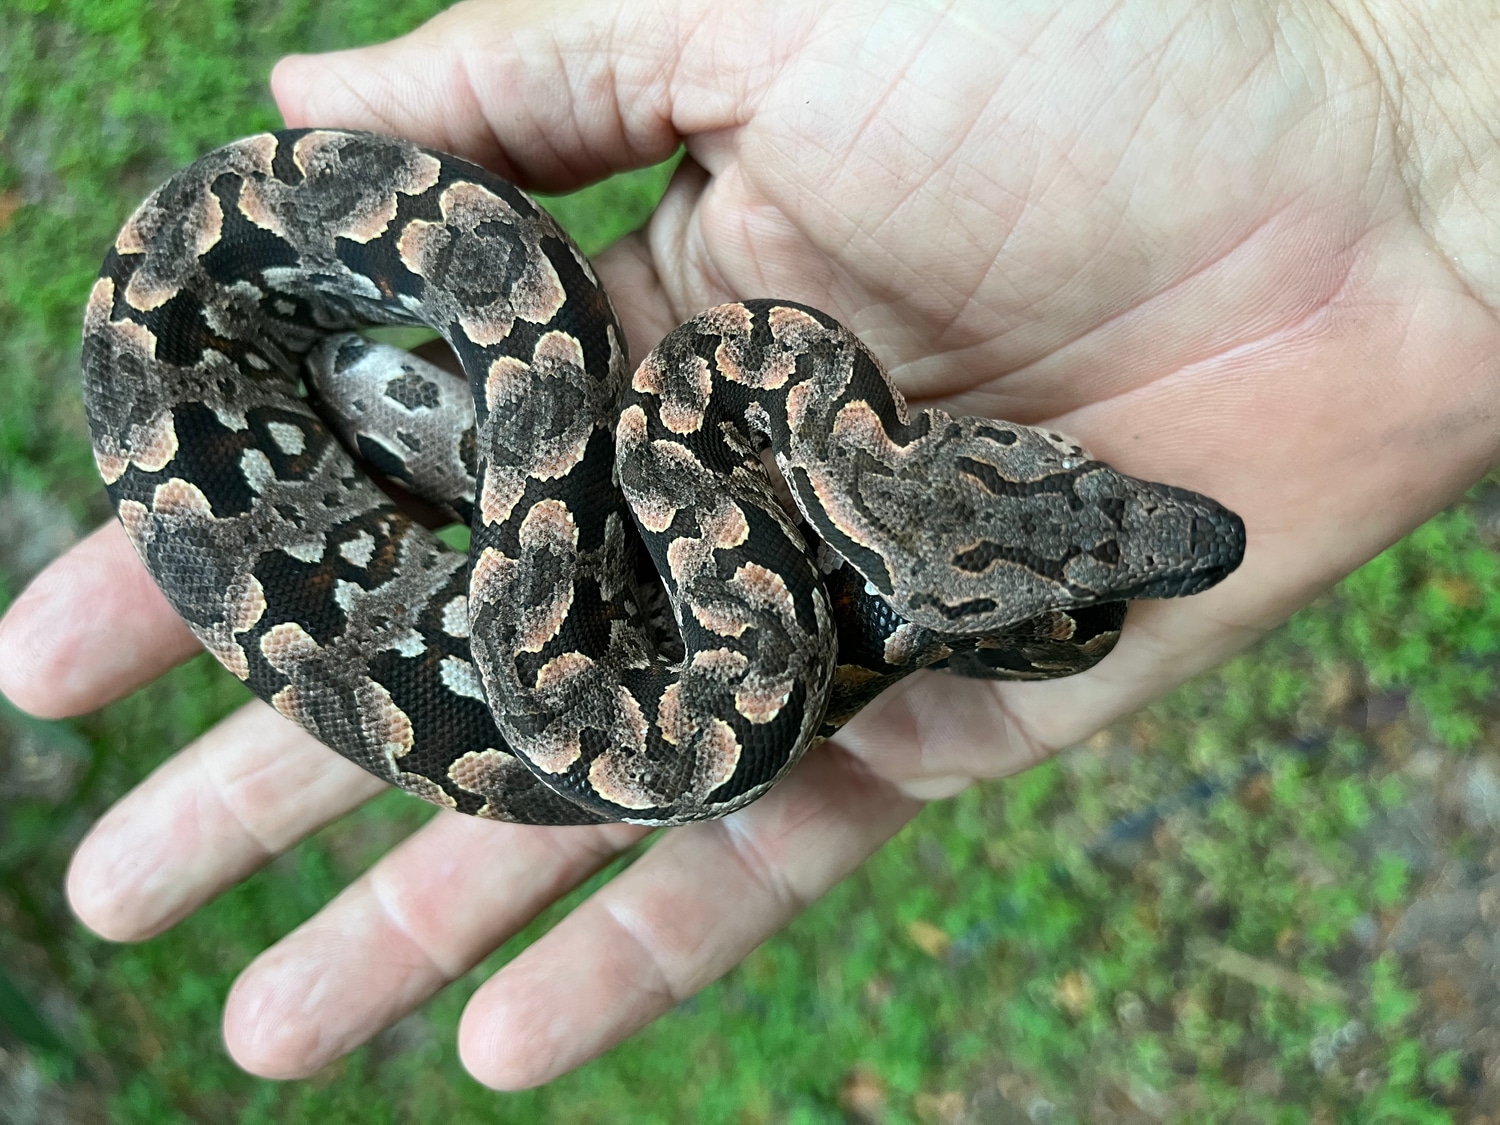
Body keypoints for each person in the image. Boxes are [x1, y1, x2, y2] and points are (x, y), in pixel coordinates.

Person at [1, 0, 1496, 1091]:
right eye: (1085, 521)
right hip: (228, 325)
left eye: (1079, 538)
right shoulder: (743, 406)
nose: (1134, 544)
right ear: (965, 456)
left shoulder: (760, 384)